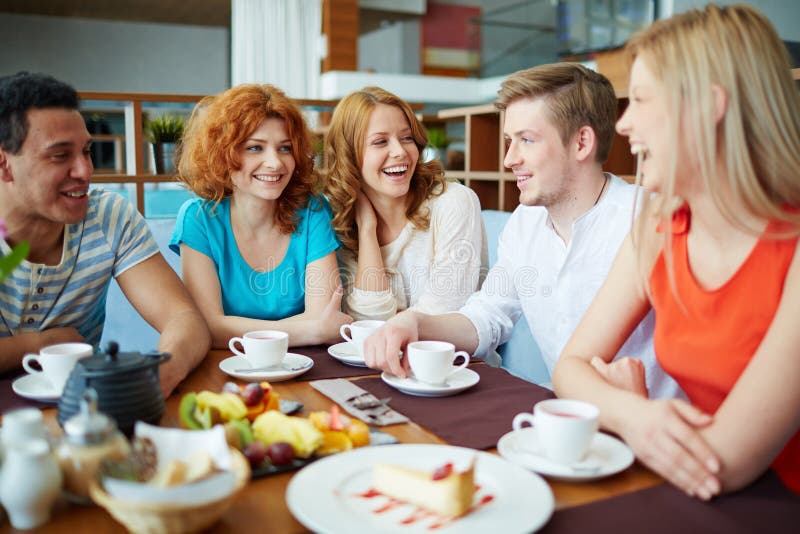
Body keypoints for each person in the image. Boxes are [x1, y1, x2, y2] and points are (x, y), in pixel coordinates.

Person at [552, 4, 800, 498]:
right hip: (699, 489)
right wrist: (634, 413)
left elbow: (722, 463)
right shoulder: (658, 228)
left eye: (641, 99)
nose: (623, 126)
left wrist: (622, 412)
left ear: (710, 107)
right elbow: (569, 366)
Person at [362, 63, 681, 399]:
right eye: (508, 141)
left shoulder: (650, 220)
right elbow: (487, 316)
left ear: (582, 142)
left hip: (653, 424)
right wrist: (416, 324)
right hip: (566, 414)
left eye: (526, 140)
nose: (508, 159)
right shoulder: (524, 224)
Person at [0, 72, 209, 396]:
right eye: (60, 155)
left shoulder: (108, 215)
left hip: (88, 414)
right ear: (4, 163)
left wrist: (161, 374)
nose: (85, 171)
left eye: (86, 151)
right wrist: (37, 345)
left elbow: (184, 320)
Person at [170, 83, 350, 348]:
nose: (275, 163)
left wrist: (237, 330)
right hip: (227, 366)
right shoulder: (199, 219)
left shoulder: (313, 211)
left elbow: (322, 315)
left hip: (302, 364)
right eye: (255, 148)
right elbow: (208, 326)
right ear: (223, 153)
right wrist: (313, 331)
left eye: (285, 148)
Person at [324, 86, 487, 321]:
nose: (400, 151)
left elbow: (444, 313)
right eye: (380, 142)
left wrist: (390, 322)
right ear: (349, 156)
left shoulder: (454, 202)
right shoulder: (342, 219)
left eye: (406, 138)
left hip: (454, 357)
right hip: (377, 356)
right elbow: (366, 321)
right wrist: (367, 231)